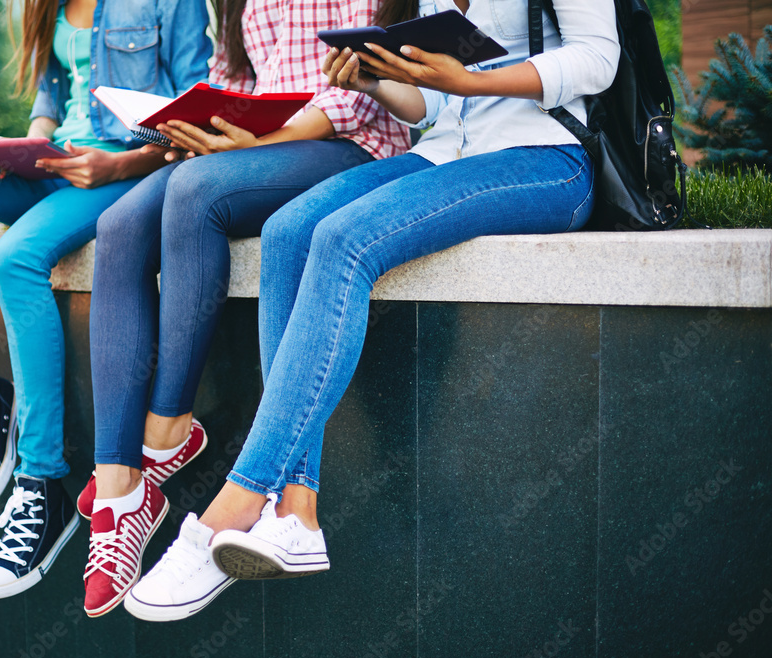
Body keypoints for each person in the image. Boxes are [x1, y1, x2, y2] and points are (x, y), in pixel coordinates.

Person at [124, 0, 621, 620]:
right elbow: (432, 105)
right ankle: (297, 511)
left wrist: (471, 82)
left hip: (546, 157)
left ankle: (232, 508)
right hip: (445, 151)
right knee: (288, 231)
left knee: (344, 240)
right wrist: (375, 81)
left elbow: (599, 58)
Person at [77, 0, 415, 618]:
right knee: (119, 225)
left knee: (196, 188)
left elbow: (362, 88)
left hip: (349, 145)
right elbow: (235, 78)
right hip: (253, 146)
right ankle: (120, 492)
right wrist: (201, 129)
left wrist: (251, 144)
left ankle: (168, 431)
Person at [0, 0, 211, 599]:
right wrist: (25, 146)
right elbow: (52, 97)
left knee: (16, 257)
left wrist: (119, 163)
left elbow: (195, 120)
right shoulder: (46, 5)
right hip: (54, 167)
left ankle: (41, 487)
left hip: (119, 174)